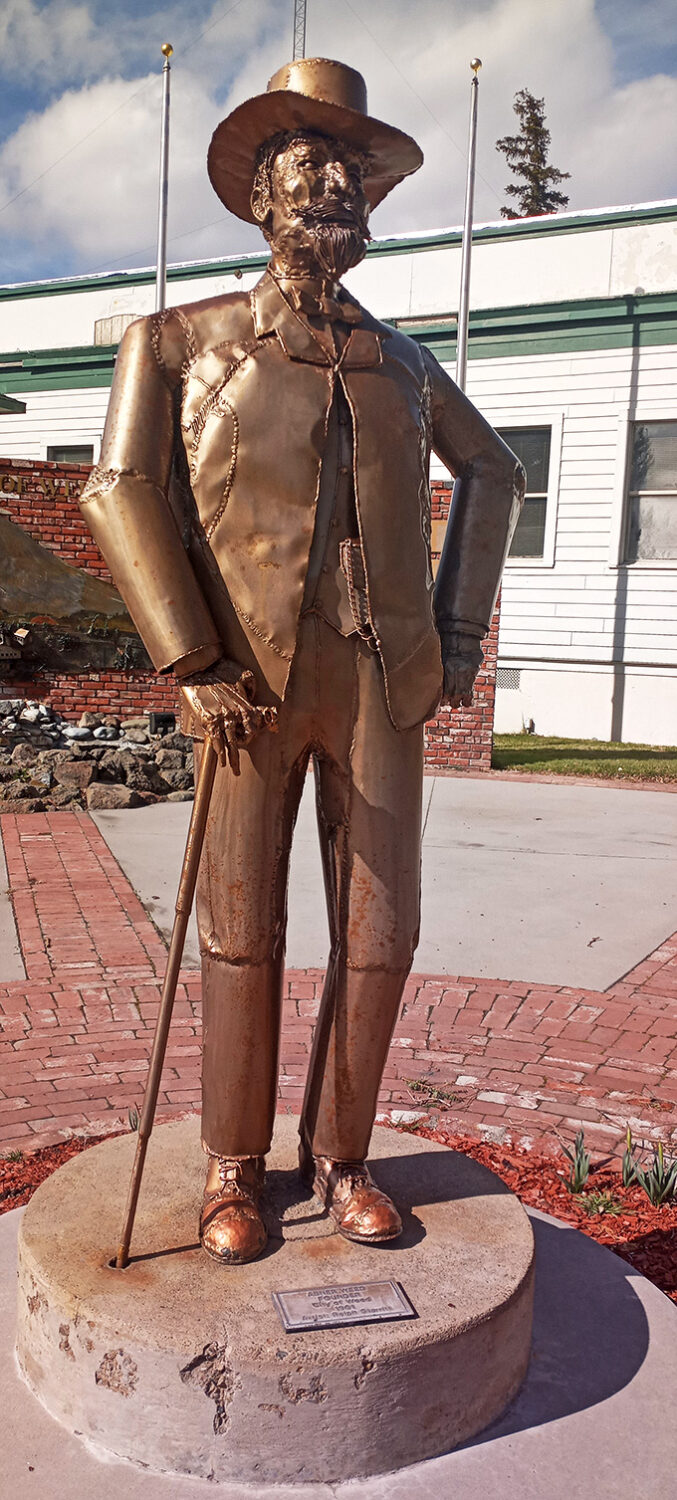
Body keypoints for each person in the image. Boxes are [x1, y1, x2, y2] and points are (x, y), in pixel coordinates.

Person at [80, 57, 524, 1265]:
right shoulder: (181, 342)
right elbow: (118, 488)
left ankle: (341, 1156)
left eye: (350, 171)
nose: (333, 185)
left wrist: (457, 636)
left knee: (380, 933)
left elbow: (495, 473)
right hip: (247, 683)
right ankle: (233, 1164)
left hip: (380, 682)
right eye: (308, 164)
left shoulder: (404, 365)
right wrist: (190, 659)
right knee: (240, 928)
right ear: (260, 196)